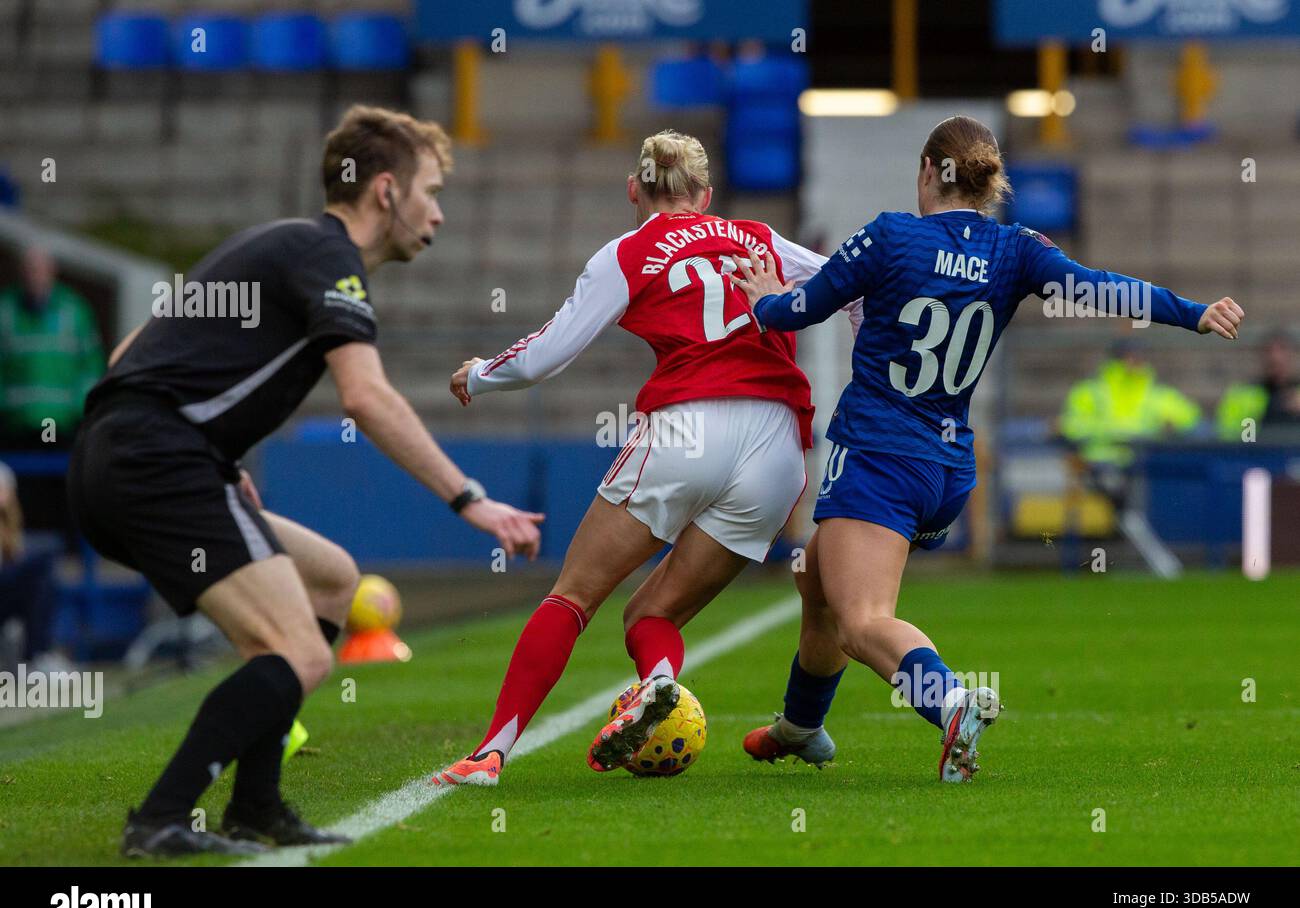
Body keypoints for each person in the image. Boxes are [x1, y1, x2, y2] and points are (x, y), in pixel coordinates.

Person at [67, 105, 543, 857]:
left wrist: (203, 458)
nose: (440, 214)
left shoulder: (286, 244)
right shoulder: (327, 260)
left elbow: (133, 346)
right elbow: (367, 397)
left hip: (129, 456)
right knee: (303, 651)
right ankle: (159, 820)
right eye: (431, 191)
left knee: (331, 580)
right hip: (153, 463)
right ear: (386, 191)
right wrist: (471, 500)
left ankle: (256, 805)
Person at [729, 115, 1244, 782]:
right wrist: (1192, 312)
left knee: (861, 622)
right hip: (948, 472)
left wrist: (766, 300)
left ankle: (951, 703)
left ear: (926, 171)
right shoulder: (1016, 248)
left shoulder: (891, 236)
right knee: (816, 578)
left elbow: (800, 311)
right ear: (989, 181)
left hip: (882, 456)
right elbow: (1102, 288)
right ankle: (799, 728)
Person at [431, 129, 862, 787]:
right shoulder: (756, 237)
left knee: (573, 598)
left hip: (688, 429)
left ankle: (490, 753)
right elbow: (851, 287)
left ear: (635, 189)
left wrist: (481, 374)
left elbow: (550, 351)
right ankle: (659, 683)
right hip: (778, 449)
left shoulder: (627, 253)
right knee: (651, 615)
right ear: (707, 195)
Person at [0, 246, 103, 448]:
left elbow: (91, 365)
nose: (34, 277)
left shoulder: (74, 310)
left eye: (40, 270)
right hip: (15, 422)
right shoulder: (5, 309)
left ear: (52, 272)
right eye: (29, 270)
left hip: (61, 421)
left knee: (56, 473)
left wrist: (80, 408)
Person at [1060, 339, 1201, 468]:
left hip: (1143, 466)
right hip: (1098, 466)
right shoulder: (1089, 392)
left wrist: (1172, 424)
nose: (1137, 361)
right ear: (1117, 360)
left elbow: (1190, 416)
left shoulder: (1154, 392)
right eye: (1131, 356)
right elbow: (1071, 425)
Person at [0, 461, 60, 671]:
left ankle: (36, 657)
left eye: (5, 489)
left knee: (43, 581)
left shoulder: (12, 524)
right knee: (42, 562)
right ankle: (35, 656)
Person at [1216, 332, 1300, 439]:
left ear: (1293, 355)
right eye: (1269, 351)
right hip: (1257, 453)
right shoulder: (1241, 395)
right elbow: (1225, 436)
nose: (1276, 357)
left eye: (1282, 350)